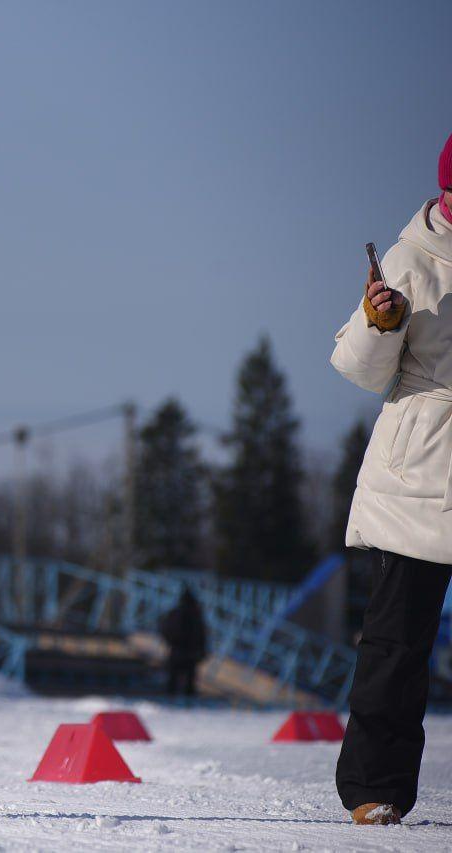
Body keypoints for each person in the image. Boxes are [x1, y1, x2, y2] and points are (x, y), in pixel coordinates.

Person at [328, 132, 452, 826]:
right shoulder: (409, 258)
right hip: (419, 472)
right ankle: (375, 787)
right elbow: (358, 369)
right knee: (397, 643)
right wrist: (380, 323)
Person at [158, 587, 207, 697]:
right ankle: (186, 701)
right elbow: (201, 634)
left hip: (177, 650)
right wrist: (201, 650)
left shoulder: (176, 612)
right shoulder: (196, 614)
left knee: (173, 679)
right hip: (190, 652)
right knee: (189, 681)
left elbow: (165, 629)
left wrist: (170, 641)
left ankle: (171, 700)